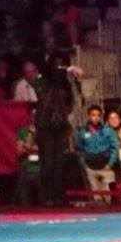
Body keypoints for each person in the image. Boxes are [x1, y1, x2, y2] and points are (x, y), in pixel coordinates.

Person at [35, 72, 74, 207]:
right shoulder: (42, 85)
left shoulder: (65, 86)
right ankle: (47, 197)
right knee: (48, 164)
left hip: (60, 129)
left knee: (59, 165)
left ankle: (58, 196)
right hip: (45, 129)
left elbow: (71, 103)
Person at [74, 105, 121, 203]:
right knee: (96, 198)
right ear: (88, 116)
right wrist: (84, 163)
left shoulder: (107, 131)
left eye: (98, 115)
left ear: (101, 116)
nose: (95, 117)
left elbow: (115, 148)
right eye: (93, 115)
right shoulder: (82, 131)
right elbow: (79, 148)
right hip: (90, 167)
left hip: (105, 167)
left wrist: (110, 164)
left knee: (108, 197)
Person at [14, 108, 41, 206]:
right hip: (25, 169)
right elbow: (19, 151)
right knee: (25, 203)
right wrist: (30, 134)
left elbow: (44, 150)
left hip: (41, 170)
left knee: (42, 204)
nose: (35, 118)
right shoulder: (23, 131)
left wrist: (27, 147)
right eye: (34, 115)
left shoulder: (44, 132)